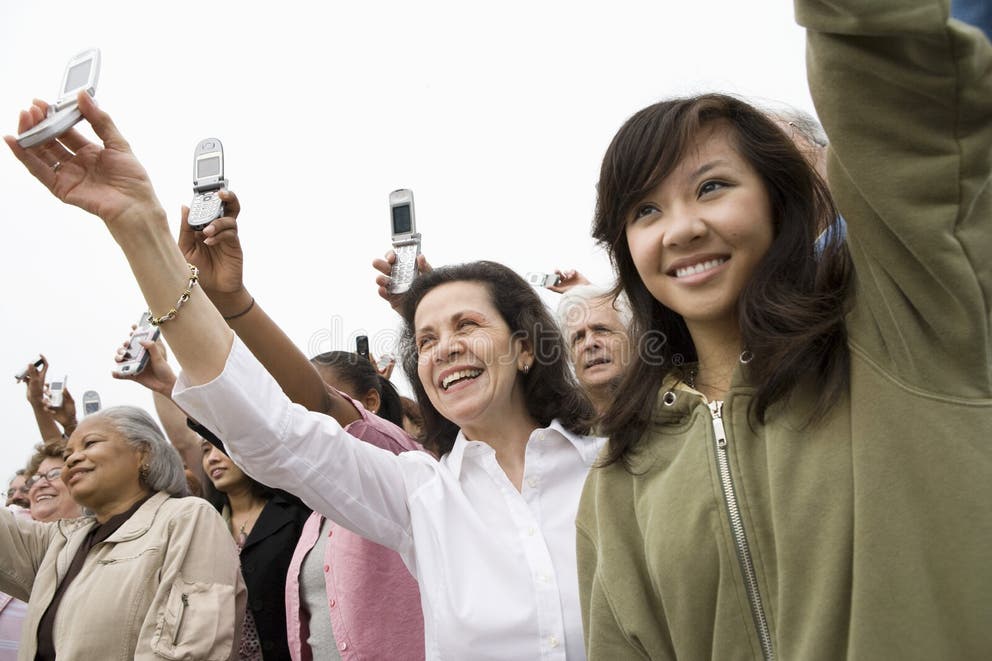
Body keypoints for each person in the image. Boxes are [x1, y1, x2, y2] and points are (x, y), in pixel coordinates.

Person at [576, 2, 992, 660]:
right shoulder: (619, 475)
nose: (680, 227)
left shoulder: (898, 330)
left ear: (781, 199)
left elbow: (897, 94)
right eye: (646, 210)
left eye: (712, 186)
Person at [114, 332, 309, 661]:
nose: (213, 458)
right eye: (206, 451)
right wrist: (161, 384)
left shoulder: (293, 509)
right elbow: (182, 439)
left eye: (221, 448)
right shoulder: (206, 519)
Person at [0, 406, 246, 660]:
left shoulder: (185, 518)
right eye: (68, 454)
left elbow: (194, 646)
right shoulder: (60, 542)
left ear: (144, 453)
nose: (72, 459)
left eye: (90, 443)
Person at [555, 285, 632, 414]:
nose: (589, 343)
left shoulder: (672, 411)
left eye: (601, 330)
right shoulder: (557, 432)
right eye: (578, 338)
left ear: (633, 341)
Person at [23, 441, 82, 522]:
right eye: (36, 478)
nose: (40, 484)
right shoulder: (13, 531)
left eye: (55, 474)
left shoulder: (102, 530)